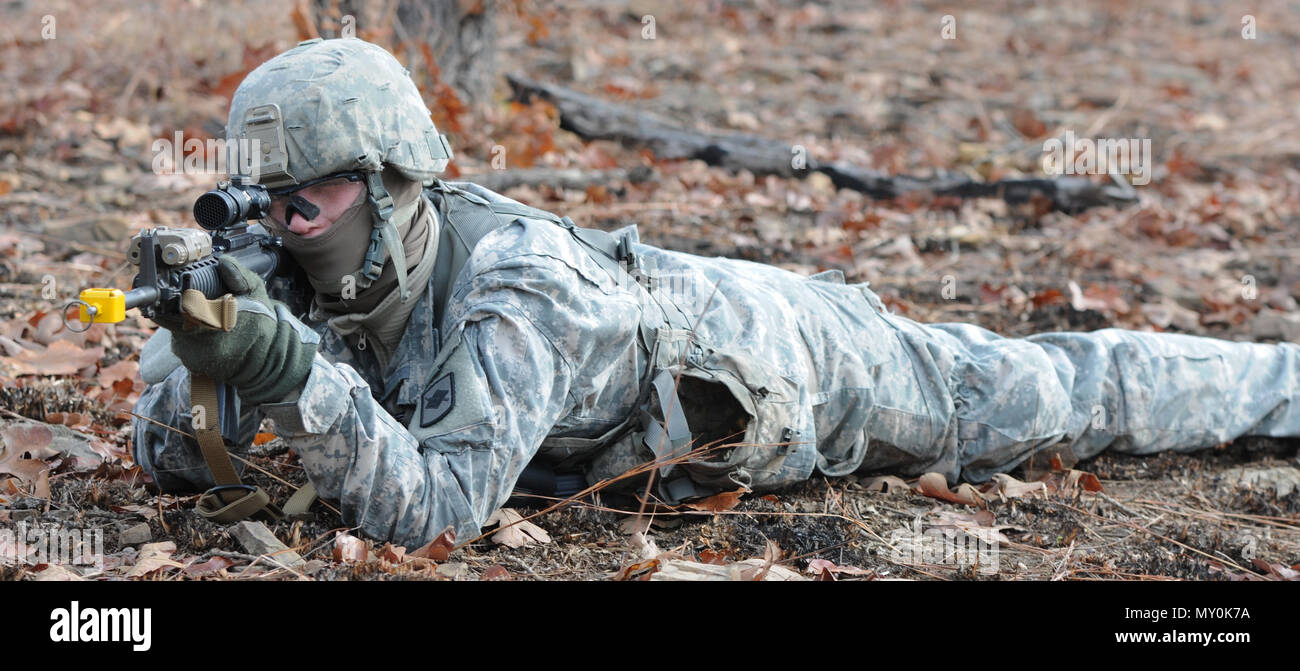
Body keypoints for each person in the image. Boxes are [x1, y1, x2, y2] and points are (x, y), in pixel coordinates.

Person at [132, 38, 1300, 548]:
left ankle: (1279, 380)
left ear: (391, 186)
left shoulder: (513, 284)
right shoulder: (343, 264)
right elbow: (173, 455)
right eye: (259, 204)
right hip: (667, 387)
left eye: (303, 205)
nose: (280, 231)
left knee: (1061, 388)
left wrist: (288, 375)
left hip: (800, 368)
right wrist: (201, 350)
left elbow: (436, 509)